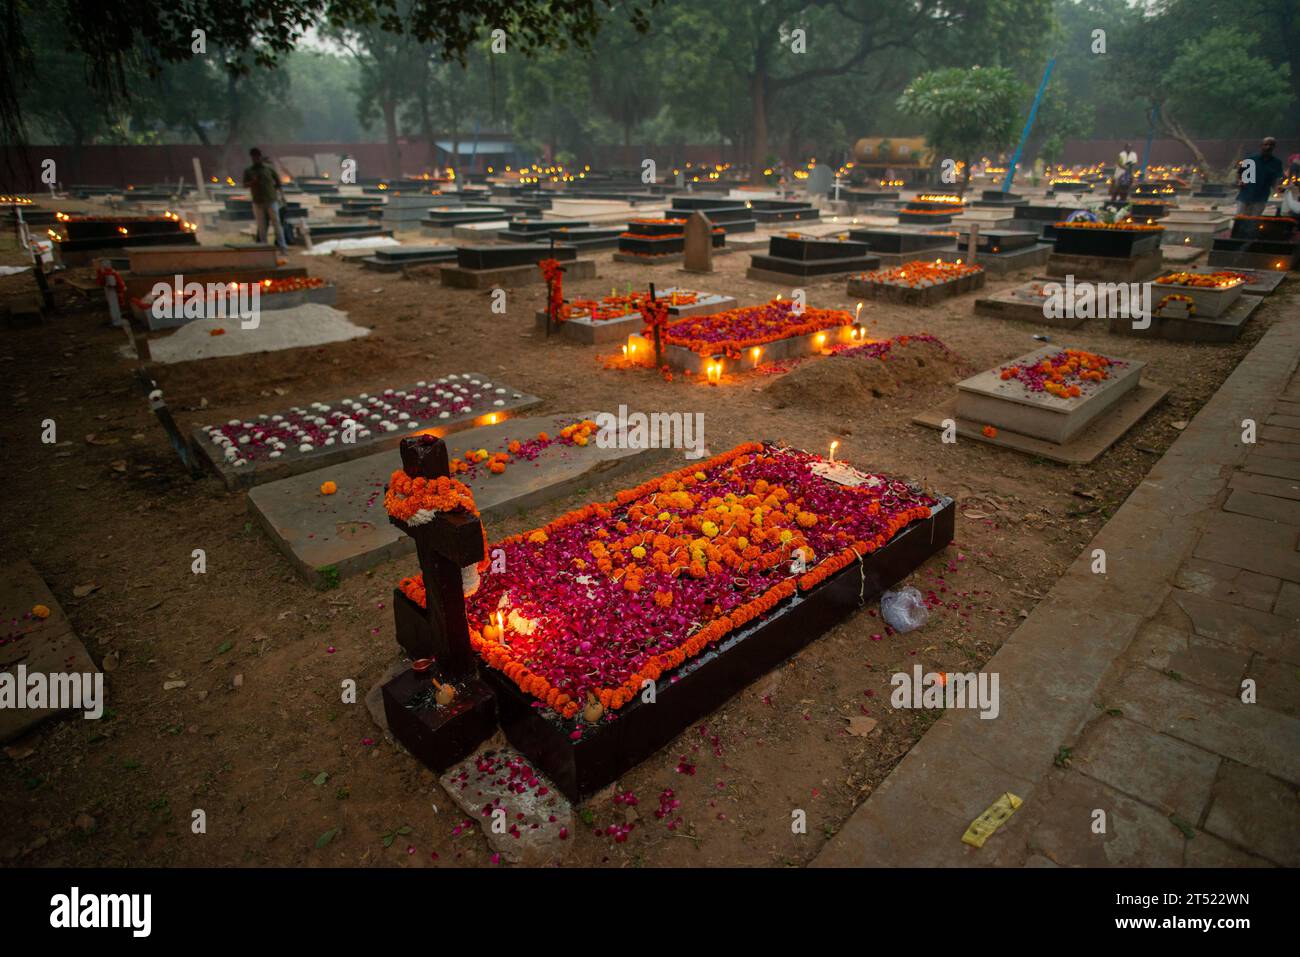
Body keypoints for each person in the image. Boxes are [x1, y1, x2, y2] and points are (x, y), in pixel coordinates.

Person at [243, 147, 287, 251]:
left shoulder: (269, 169)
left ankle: (282, 246)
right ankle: (264, 247)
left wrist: (281, 196)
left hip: (271, 200)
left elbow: (278, 183)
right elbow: (245, 184)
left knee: (276, 224)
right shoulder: (249, 171)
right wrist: (253, 182)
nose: (256, 159)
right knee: (261, 226)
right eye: (254, 157)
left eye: (258, 157)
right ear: (252, 158)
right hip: (258, 202)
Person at [1234, 136, 1283, 216]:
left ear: (1274, 147)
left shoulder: (1277, 163)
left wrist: (1278, 188)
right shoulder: (1250, 160)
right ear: (1261, 146)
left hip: (1261, 197)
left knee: (1254, 221)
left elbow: (1275, 180)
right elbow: (1239, 174)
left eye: (1271, 145)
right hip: (1245, 195)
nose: (1268, 147)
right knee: (1239, 219)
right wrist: (1240, 181)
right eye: (1266, 144)